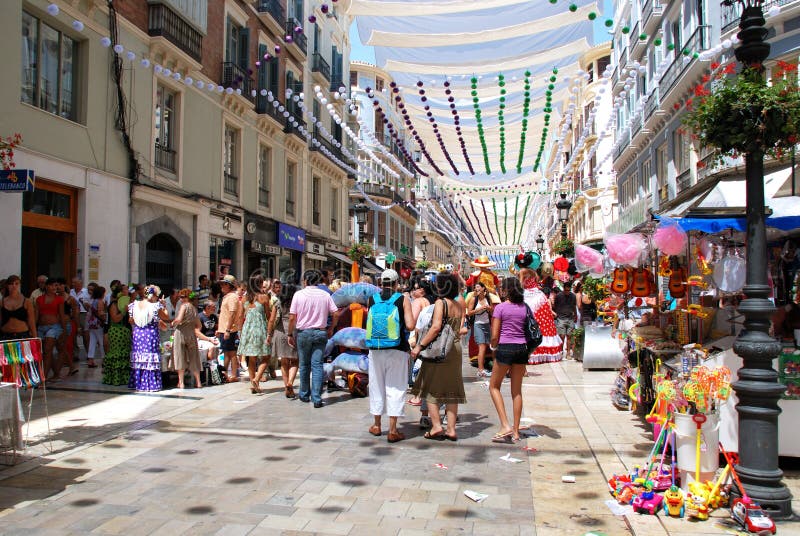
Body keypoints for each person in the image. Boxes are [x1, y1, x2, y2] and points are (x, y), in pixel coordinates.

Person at [409, 272, 466, 441]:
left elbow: (435, 328)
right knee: (451, 389)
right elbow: (459, 329)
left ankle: (436, 427)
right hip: (455, 349)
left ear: (440, 286)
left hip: (439, 349)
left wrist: (419, 346)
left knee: (429, 387)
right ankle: (451, 429)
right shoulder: (458, 304)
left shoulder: (441, 303)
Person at [366, 269, 415, 443]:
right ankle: (393, 430)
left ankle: (377, 425)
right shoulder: (403, 299)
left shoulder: (372, 299)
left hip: (375, 348)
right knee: (395, 387)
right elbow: (409, 325)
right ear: (396, 284)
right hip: (397, 348)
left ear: (381, 283)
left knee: (376, 385)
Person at [287, 270, 338, 408]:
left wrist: (290, 334)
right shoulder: (325, 295)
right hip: (320, 332)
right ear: (317, 281)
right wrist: (331, 328)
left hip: (303, 333)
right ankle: (316, 397)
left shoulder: (298, 295)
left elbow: (292, 317)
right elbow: (336, 313)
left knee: (304, 365)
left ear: (305, 281)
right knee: (317, 365)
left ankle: (304, 394)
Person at [489, 277, 530, 443]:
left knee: (494, 386)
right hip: (522, 349)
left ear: (506, 291)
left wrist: (493, 347)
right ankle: (516, 432)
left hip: (505, 348)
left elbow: (494, 335)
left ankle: (505, 424)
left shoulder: (500, 308)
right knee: (517, 391)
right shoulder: (525, 308)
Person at [129, 285, 170, 391]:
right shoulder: (155, 306)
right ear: (153, 296)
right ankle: (150, 383)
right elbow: (166, 317)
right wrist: (164, 306)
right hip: (150, 333)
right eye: (157, 296)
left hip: (138, 334)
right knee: (150, 357)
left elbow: (131, 321)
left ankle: (138, 382)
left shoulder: (133, 305)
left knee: (139, 356)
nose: (157, 298)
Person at [520, 269, 562, 364]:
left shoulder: (523, 272)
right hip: (538, 296)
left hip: (527, 296)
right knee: (544, 322)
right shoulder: (534, 273)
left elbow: (521, 284)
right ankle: (545, 351)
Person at [239, 275, 271, 394]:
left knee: (251, 358)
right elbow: (268, 315)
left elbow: (241, 315)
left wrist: (240, 331)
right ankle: (256, 379)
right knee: (266, 356)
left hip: (247, 329)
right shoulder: (263, 297)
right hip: (260, 329)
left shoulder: (245, 298)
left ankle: (253, 383)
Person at [269, 279, 298, 398]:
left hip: (280, 332)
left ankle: (287, 385)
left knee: (284, 361)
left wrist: (269, 334)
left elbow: (272, 319)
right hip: (294, 332)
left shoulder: (277, 302)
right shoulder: (297, 302)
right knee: (295, 360)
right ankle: (291, 382)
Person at [170, 289, 202, 389]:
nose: (181, 299)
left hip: (180, 333)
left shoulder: (183, 306)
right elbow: (199, 325)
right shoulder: (194, 308)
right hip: (191, 334)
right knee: (194, 358)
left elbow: (179, 319)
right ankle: (198, 382)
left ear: (187, 297)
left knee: (180, 357)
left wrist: (173, 323)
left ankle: (181, 382)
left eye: (182, 297)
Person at [36, 278, 66, 380]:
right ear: (47, 286)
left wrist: (64, 330)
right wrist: (34, 328)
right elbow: (36, 315)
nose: (55, 287)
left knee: (48, 350)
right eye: (53, 285)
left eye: (56, 285)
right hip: (41, 327)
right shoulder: (39, 299)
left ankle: (43, 377)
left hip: (54, 327)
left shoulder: (59, 299)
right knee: (45, 352)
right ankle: (56, 373)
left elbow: (61, 315)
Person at [216, 275, 243, 383]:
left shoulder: (232, 297)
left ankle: (233, 375)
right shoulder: (227, 296)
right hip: (224, 329)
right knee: (227, 352)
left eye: (223, 284)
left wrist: (227, 330)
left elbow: (232, 314)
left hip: (229, 330)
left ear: (228, 285)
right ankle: (225, 372)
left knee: (231, 352)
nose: (221, 286)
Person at [103, 287, 131, 385]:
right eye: (125, 290)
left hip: (124, 331)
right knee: (116, 354)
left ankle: (124, 378)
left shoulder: (127, 303)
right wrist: (124, 311)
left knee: (124, 353)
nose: (127, 291)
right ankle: (115, 378)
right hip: (116, 331)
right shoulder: (114, 304)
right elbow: (115, 319)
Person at [465, 281, 494, 378]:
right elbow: (469, 313)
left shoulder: (488, 298)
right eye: (475, 288)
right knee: (482, 348)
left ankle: (495, 368)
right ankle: (481, 370)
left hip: (487, 325)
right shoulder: (474, 299)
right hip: (478, 325)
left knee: (492, 347)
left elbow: (492, 312)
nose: (476, 289)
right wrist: (481, 308)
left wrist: (488, 308)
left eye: (478, 287)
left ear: (483, 289)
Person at [55, 277, 80, 375]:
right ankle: (71, 366)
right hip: (57, 323)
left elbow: (75, 313)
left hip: (67, 323)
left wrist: (78, 326)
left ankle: (60, 369)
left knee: (64, 345)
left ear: (64, 286)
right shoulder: (55, 297)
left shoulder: (70, 299)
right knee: (61, 346)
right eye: (57, 285)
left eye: (60, 285)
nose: (58, 287)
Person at [1, 275, 36, 341]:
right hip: (5, 336)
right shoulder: (2, 302)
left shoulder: (27, 301)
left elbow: (31, 322)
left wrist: (35, 338)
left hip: (23, 335)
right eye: (11, 284)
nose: (14, 286)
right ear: (7, 286)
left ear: (19, 285)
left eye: (16, 283)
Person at [553, 280, 578, 359]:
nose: (567, 292)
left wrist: (575, 315)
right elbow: (555, 305)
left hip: (570, 318)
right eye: (566, 290)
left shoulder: (573, 296)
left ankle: (568, 353)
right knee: (562, 336)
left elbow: (574, 306)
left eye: (568, 290)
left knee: (569, 336)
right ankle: (561, 352)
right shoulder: (558, 296)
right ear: (563, 289)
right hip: (561, 318)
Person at [84, 286, 107, 368]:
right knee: (101, 342)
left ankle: (90, 360)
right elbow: (100, 313)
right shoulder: (100, 301)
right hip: (98, 324)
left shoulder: (94, 301)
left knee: (92, 342)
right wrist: (104, 319)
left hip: (92, 323)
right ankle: (104, 359)